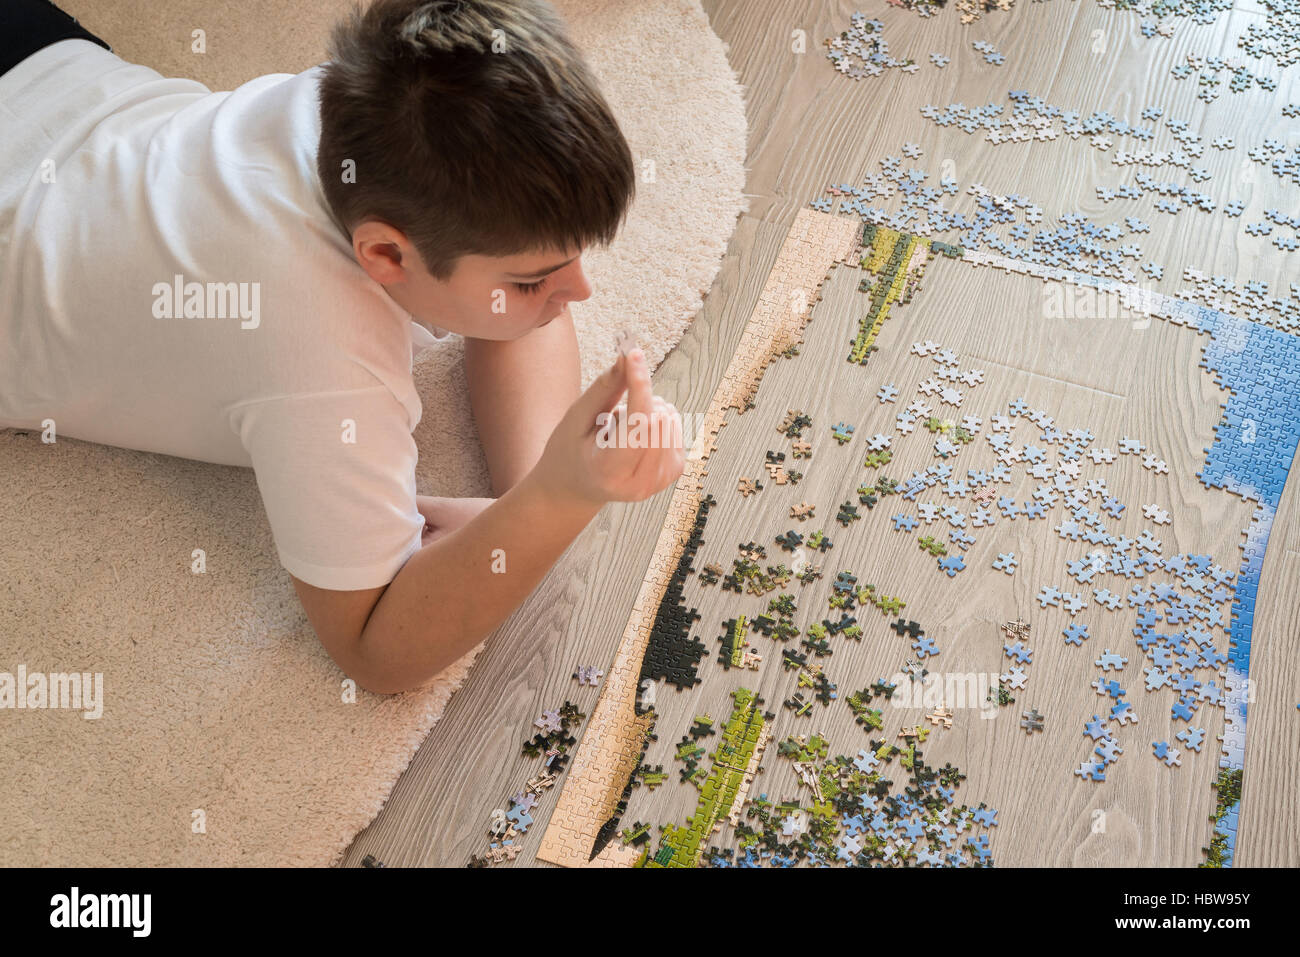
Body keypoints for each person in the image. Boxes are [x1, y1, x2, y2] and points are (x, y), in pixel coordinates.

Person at [0, 0, 685, 692]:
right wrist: (559, 498)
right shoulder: (316, 351)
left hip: (42, 67)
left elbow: (510, 309)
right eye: (536, 279)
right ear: (386, 253)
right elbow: (373, 649)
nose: (581, 293)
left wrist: (527, 492)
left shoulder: (385, 97)